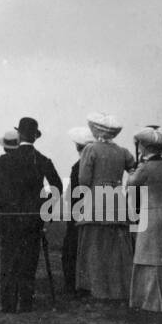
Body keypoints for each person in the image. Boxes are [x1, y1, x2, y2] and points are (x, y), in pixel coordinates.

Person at [0, 119, 62, 312]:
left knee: (8, 262)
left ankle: (8, 305)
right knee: (29, 262)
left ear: (20, 135)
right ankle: (26, 304)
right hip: (33, 220)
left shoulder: (6, 159)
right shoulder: (42, 160)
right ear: (34, 137)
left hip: (9, 219)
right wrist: (44, 209)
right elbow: (57, 187)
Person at [75, 112, 134, 300]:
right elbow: (134, 171)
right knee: (116, 247)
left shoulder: (90, 150)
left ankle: (97, 288)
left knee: (95, 246)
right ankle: (118, 288)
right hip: (117, 198)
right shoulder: (123, 151)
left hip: (96, 198)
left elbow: (83, 180)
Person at [128, 126, 162, 312]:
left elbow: (131, 183)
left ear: (144, 147)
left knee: (148, 256)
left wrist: (136, 167)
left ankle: (149, 300)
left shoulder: (144, 168)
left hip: (150, 214)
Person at [62, 126, 94, 295]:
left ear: (78, 147)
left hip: (78, 213)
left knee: (71, 251)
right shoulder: (94, 164)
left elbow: (73, 194)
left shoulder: (78, 166)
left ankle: (73, 286)